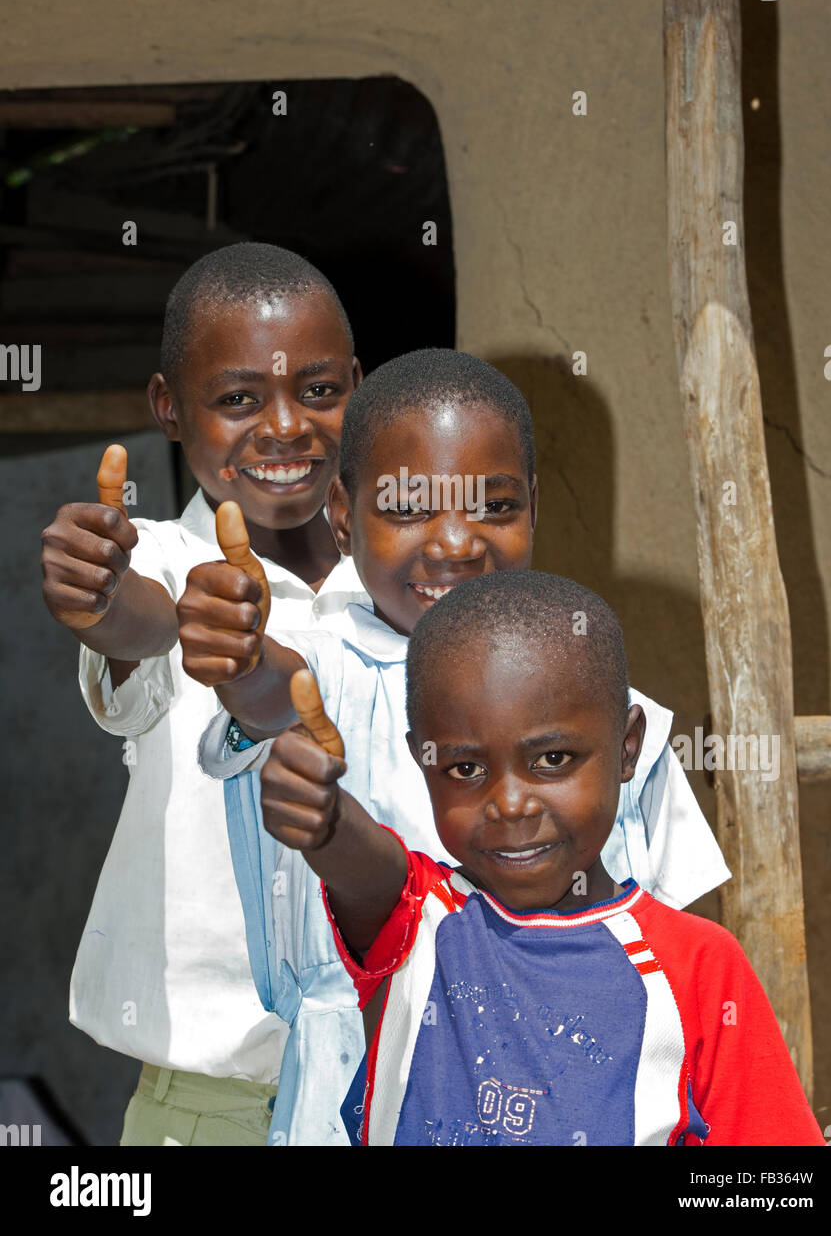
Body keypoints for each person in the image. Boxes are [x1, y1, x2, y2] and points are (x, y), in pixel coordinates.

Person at [185, 348, 730, 1145]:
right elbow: (269, 692)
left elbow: (682, 953)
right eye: (408, 508)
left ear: (533, 508)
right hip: (341, 1097)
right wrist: (238, 658)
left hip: (579, 1099)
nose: (454, 543)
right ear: (340, 514)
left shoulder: (613, 714)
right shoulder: (318, 669)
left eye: (493, 507)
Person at [263, 569, 825, 1147]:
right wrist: (326, 817)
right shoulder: (416, 924)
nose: (509, 804)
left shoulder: (699, 967)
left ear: (628, 747)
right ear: (422, 760)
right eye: (465, 769)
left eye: (553, 758)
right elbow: (360, 860)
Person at [40, 242, 364, 1146]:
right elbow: (144, 620)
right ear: (167, 409)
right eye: (236, 400)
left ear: (360, 387)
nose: (286, 426)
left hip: (402, 1089)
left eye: (321, 390)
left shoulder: (411, 591)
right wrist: (103, 599)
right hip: (212, 1115)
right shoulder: (160, 561)